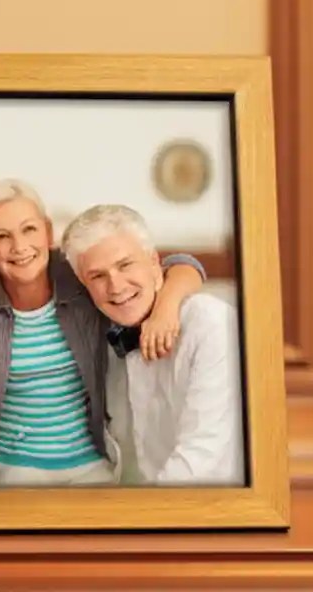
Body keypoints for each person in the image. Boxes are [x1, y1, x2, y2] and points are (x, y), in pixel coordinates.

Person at [0, 179, 207, 487]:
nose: (19, 247)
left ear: (48, 232)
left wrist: (167, 307)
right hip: (13, 470)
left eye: (29, 230)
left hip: (91, 465)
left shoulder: (78, 276)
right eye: (1, 236)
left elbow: (183, 264)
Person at [61, 204, 244, 486]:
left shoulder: (210, 324)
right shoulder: (100, 339)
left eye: (125, 265)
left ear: (154, 262)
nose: (116, 286)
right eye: (98, 276)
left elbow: (201, 458)